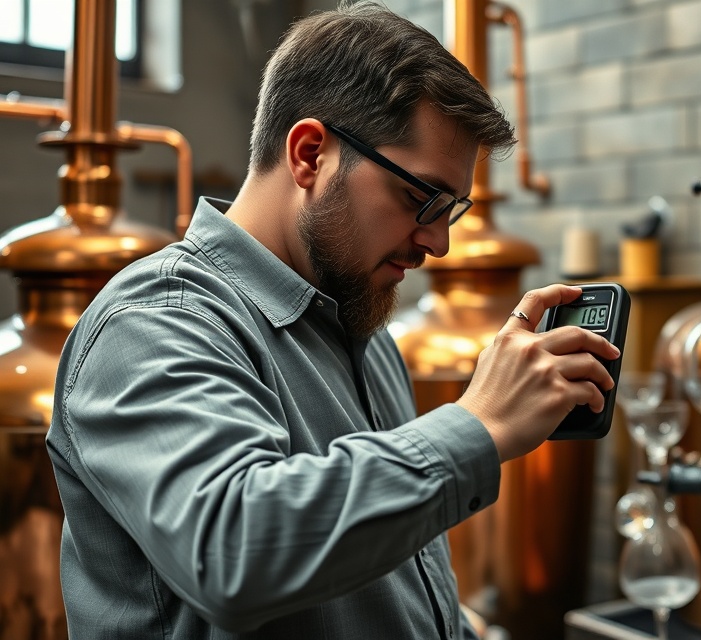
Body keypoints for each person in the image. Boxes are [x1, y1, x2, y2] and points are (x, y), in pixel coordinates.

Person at [44, 2, 618, 638]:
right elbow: (232, 554)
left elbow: (401, 585)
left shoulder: (366, 336)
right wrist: (479, 424)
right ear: (310, 154)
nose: (438, 244)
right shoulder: (157, 322)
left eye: (449, 209)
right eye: (420, 198)